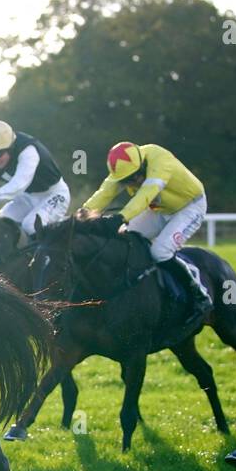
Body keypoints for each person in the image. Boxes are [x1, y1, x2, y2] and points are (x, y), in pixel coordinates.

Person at [81, 141, 212, 331]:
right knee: (127, 240)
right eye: (127, 180)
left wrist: (121, 218)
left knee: (160, 252)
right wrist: (80, 217)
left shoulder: (159, 159)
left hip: (189, 207)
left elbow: (145, 195)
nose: (132, 182)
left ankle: (200, 295)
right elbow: (102, 195)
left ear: (142, 164)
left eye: (134, 177)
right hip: (160, 209)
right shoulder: (122, 171)